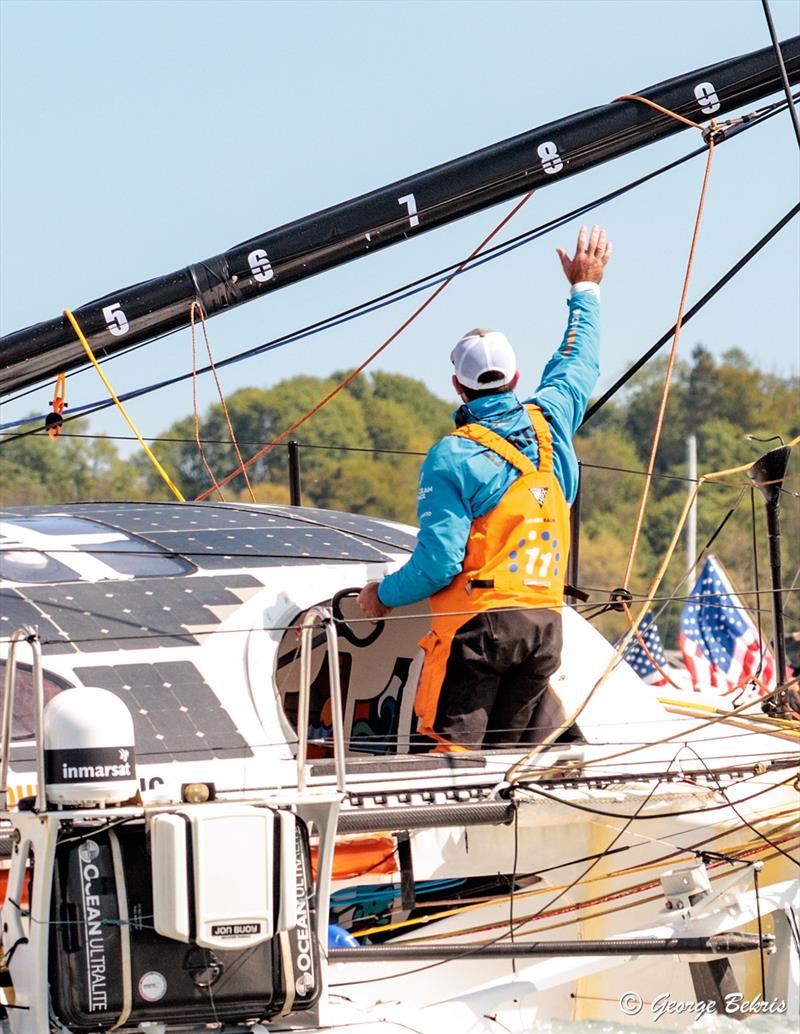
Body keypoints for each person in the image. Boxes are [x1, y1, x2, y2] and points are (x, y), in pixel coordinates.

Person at [358, 225, 612, 750]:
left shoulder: (452, 455)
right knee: (505, 766)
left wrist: (381, 597)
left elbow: (439, 563)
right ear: (518, 377)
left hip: (483, 630)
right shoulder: (554, 418)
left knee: (454, 762)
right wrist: (586, 288)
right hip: (545, 626)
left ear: (458, 385)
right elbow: (578, 363)